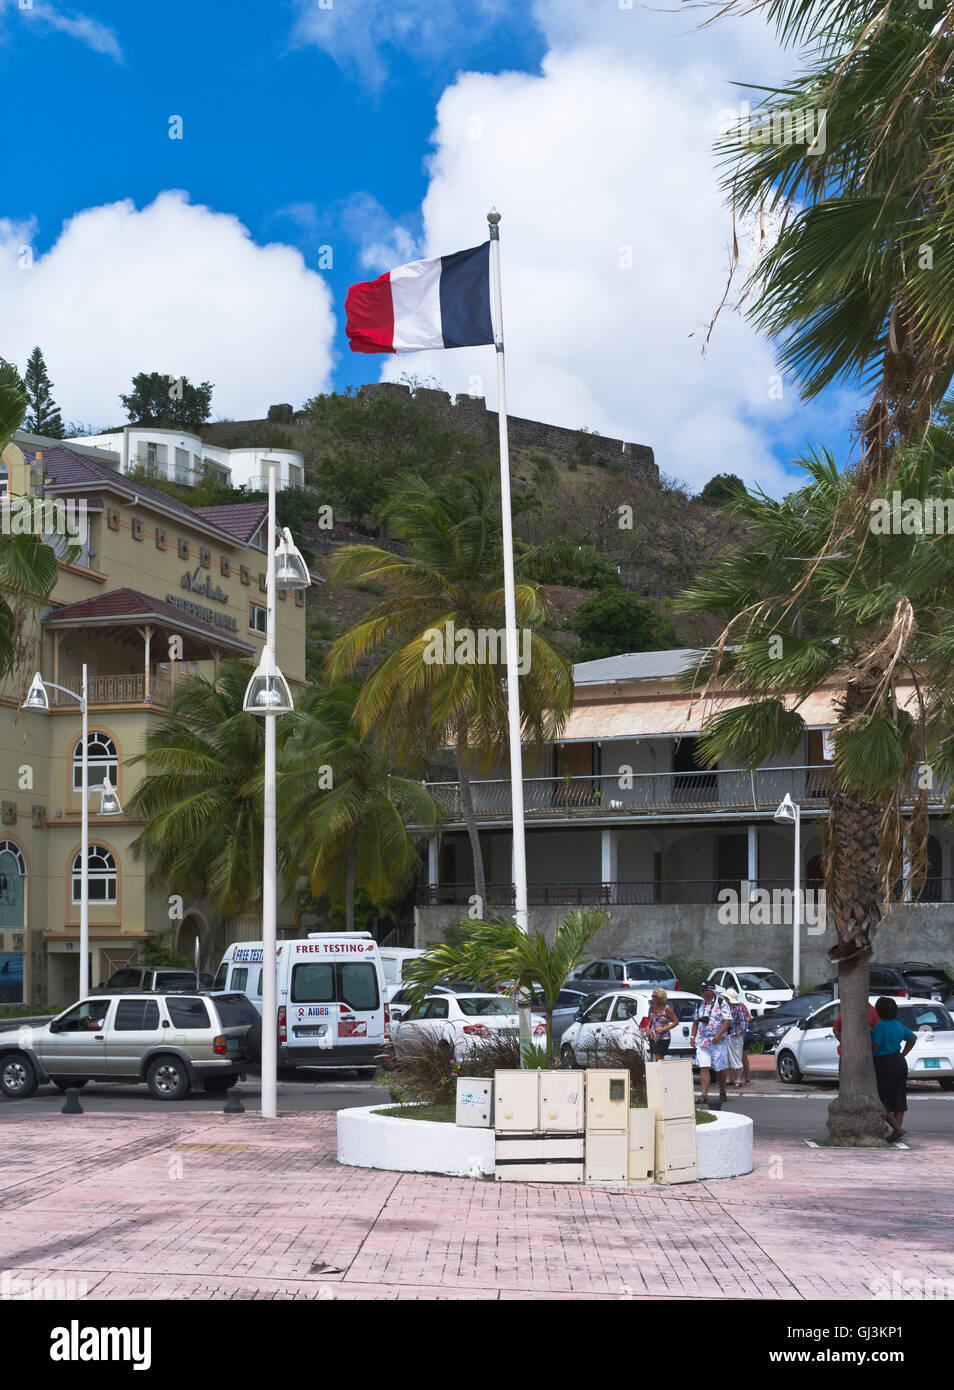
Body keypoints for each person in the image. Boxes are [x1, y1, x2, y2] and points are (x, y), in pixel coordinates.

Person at [870, 996, 916, 1142]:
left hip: (883, 1063)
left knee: (880, 1099)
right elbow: (912, 1038)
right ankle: (897, 1133)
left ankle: (898, 1129)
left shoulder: (879, 1027)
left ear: (878, 1011)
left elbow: (875, 1046)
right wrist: (903, 1054)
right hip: (899, 1061)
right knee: (899, 1097)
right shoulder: (898, 1024)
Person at [690, 981, 730, 1106]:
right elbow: (696, 1022)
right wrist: (693, 1036)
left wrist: (718, 1035)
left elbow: (727, 1021)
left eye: (703, 990)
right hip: (703, 1040)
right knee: (704, 1066)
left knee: (719, 1067)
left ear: (710, 991)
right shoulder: (699, 1004)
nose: (701, 993)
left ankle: (722, 1090)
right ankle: (704, 1094)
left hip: (718, 1041)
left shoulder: (721, 1003)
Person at [724, 988, 751, 1088]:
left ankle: (738, 1079)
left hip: (735, 1035)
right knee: (728, 1057)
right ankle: (729, 1078)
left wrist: (739, 1032)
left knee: (736, 1055)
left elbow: (744, 1021)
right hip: (727, 1035)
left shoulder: (738, 1008)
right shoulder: (726, 1008)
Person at [645, 988, 678, 1061]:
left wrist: (664, 1028)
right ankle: (657, 1071)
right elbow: (650, 1019)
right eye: (652, 996)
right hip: (653, 1036)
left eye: (655, 996)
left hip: (663, 1037)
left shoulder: (667, 1009)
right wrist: (647, 1028)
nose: (653, 998)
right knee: (655, 1056)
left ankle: (661, 1071)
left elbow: (676, 1022)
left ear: (660, 998)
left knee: (659, 1057)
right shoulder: (653, 1008)